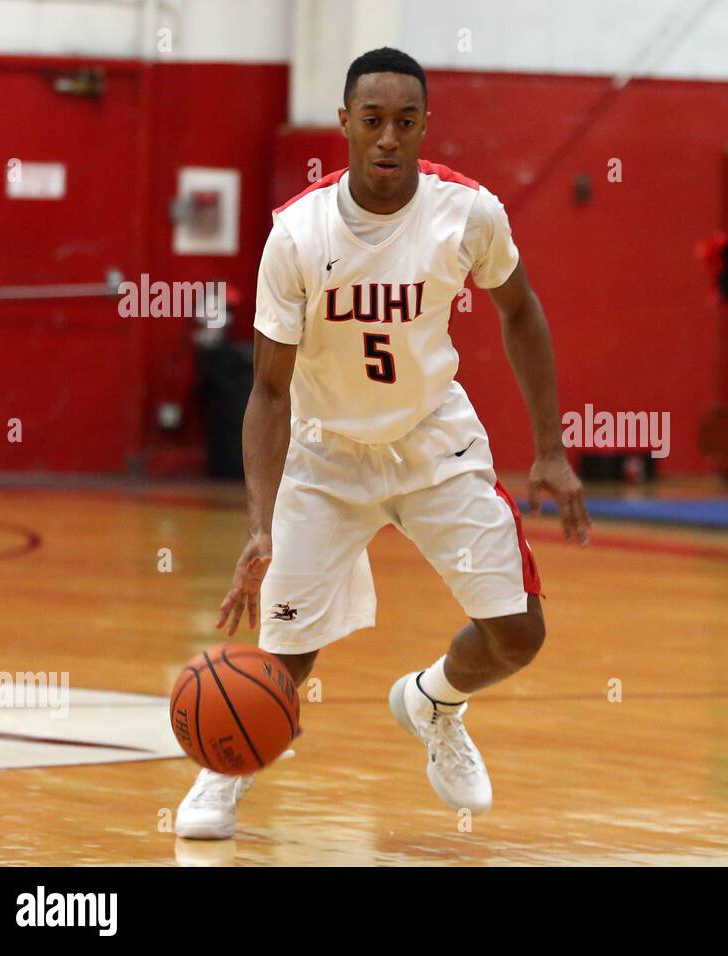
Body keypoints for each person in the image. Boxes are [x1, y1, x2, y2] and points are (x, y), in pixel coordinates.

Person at [175, 48, 590, 839]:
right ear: (345, 126)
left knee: (519, 634)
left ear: (425, 125)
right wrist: (261, 525)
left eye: (405, 122)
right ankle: (224, 768)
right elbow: (267, 390)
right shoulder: (297, 234)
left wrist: (550, 449)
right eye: (373, 122)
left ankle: (434, 702)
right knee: (287, 655)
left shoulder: (468, 213)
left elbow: (522, 312)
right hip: (326, 451)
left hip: (434, 440)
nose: (389, 138)